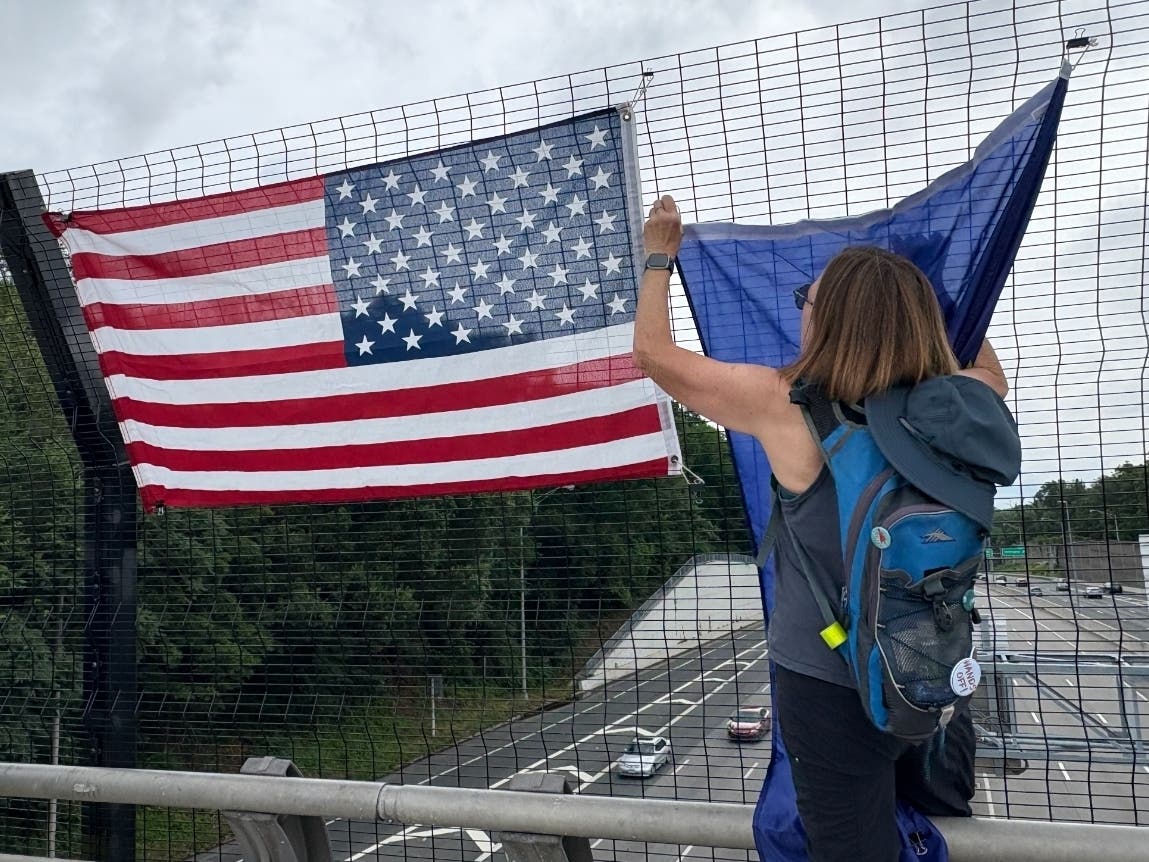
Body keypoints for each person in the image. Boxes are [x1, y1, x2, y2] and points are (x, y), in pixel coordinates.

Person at [634, 194, 1011, 862]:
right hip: (930, 665)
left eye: (809, 298)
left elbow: (655, 356)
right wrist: (938, 291)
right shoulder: (966, 404)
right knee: (943, 824)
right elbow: (988, 371)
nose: (801, 307)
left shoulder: (787, 407)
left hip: (826, 684)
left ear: (830, 318)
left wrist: (659, 252)